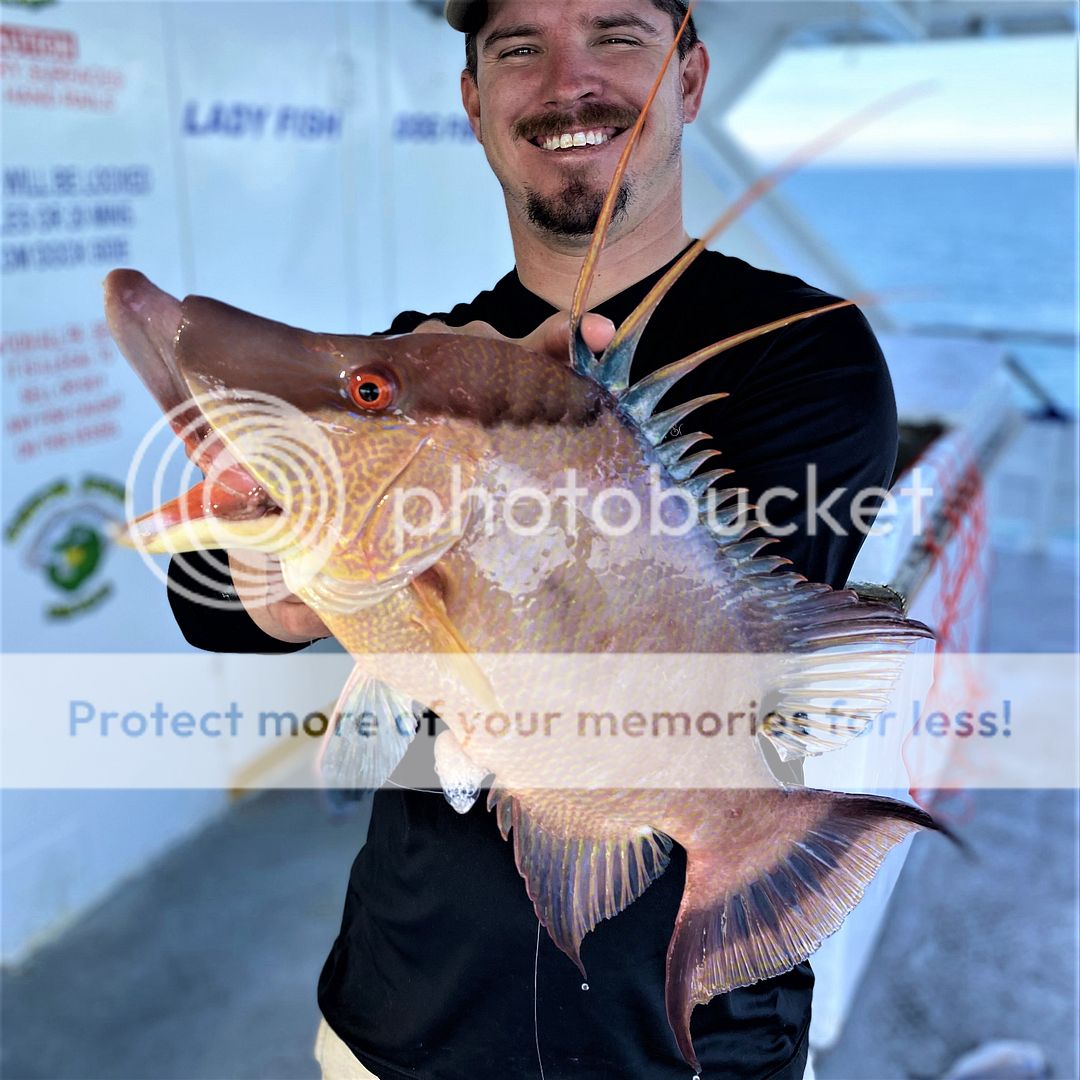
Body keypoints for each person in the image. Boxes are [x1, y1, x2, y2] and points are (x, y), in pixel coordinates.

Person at [167, 1, 897, 1076]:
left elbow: (728, 639)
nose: (569, 81)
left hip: (683, 1037)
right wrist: (282, 555)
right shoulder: (427, 360)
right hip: (397, 1016)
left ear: (689, 81)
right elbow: (208, 602)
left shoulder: (807, 349)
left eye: (617, 36)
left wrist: (501, 472)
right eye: (519, 47)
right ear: (474, 102)